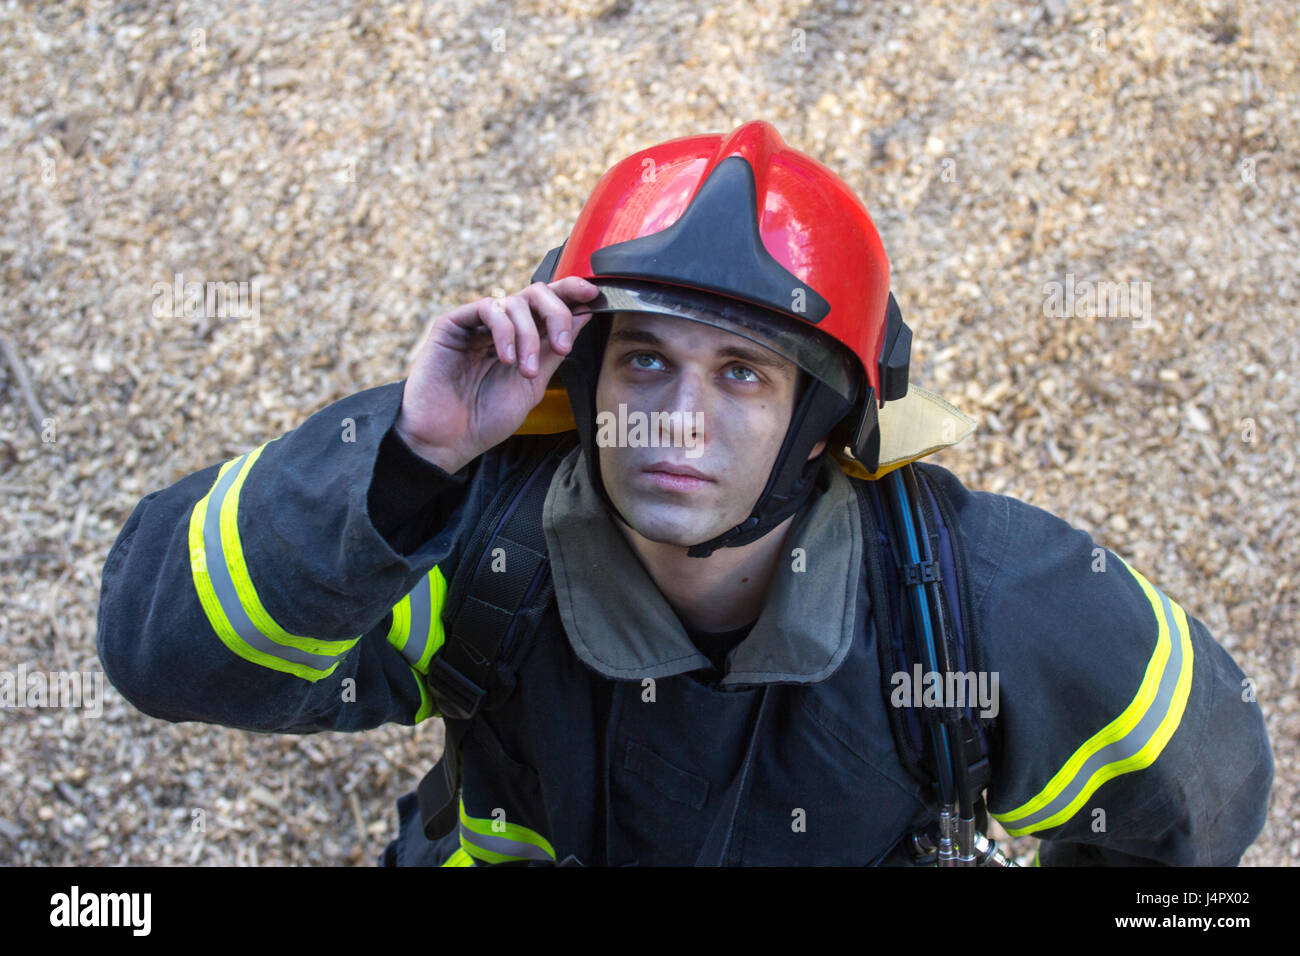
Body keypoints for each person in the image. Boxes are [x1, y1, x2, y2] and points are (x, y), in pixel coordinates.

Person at [97, 121, 1272, 866]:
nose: (674, 415)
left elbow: (1198, 806)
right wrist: (406, 458)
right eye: (643, 357)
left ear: (820, 430)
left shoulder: (998, 607)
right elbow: (166, 653)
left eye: (744, 374)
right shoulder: (469, 544)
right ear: (585, 374)